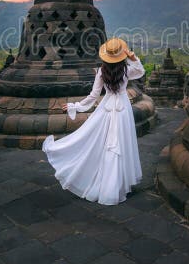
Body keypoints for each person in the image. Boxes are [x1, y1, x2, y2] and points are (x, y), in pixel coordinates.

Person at [42, 37, 146, 205]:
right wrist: (133, 57)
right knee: (120, 144)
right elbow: (140, 71)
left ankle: (108, 185)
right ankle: (117, 186)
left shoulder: (101, 72)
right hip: (122, 110)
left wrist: (74, 106)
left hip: (106, 108)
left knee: (106, 145)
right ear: (121, 55)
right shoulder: (126, 69)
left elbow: (93, 96)